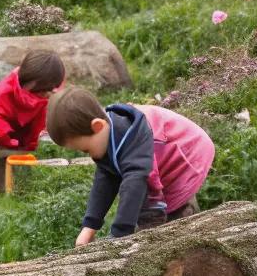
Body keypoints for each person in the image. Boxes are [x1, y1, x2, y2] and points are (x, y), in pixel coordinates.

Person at [47, 87, 215, 243]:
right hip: (159, 158)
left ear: (97, 126)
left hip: (186, 156)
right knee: (143, 205)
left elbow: (137, 185)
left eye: (86, 150)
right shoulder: (108, 135)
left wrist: (120, 235)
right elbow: (105, 179)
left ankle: (187, 238)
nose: (90, 156)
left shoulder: (133, 141)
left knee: (172, 218)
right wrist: (90, 226)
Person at [0, 48, 67, 191]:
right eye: (42, 90)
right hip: (7, 129)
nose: (46, 94)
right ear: (28, 80)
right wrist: (3, 135)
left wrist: (36, 139)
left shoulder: (47, 92)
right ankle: (0, 189)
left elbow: (44, 116)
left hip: (30, 128)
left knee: (27, 156)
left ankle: (27, 186)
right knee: (3, 156)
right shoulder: (5, 91)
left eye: (49, 90)